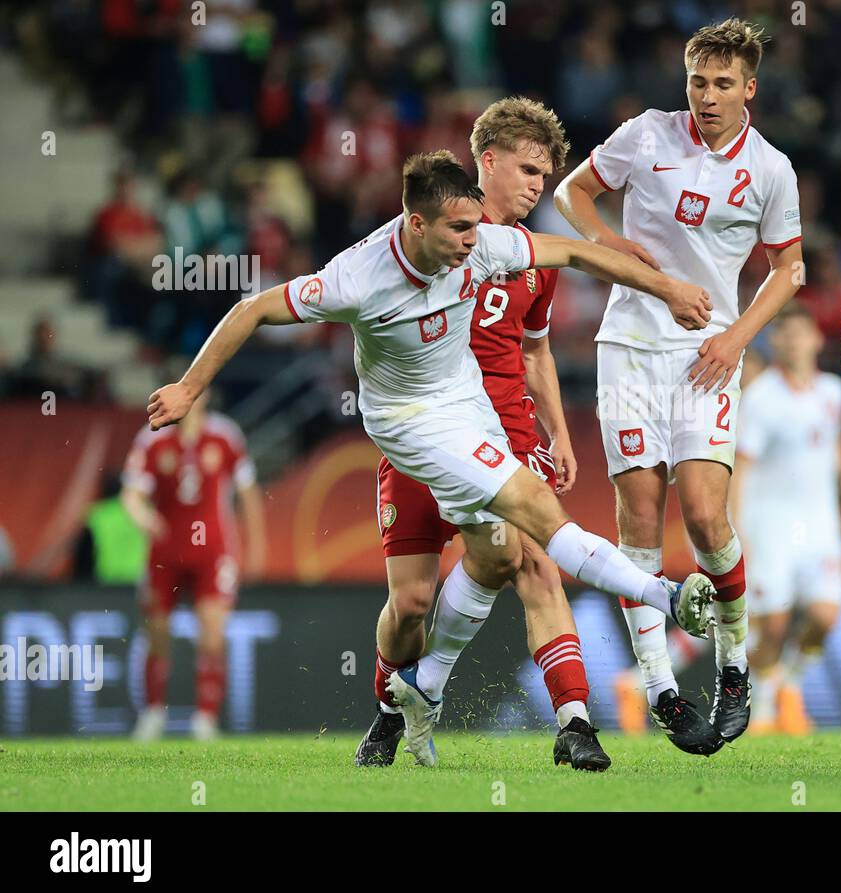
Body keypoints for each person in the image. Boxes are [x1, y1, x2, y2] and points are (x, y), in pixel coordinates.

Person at [146, 150, 720, 767]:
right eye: (458, 230)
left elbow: (577, 254)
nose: (473, 243)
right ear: (416, 224)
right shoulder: (356, 277)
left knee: (501, 555)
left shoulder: (484, 246)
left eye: (476, 227)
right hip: (406, 425)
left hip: (466, 404)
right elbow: (253, 308)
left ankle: (420, 694)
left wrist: (667, 288)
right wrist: (189, 387)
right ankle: (663, 595)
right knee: (519, 515)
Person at [554, 17, 804, 754]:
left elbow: (789, 271)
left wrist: (735, 337)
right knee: (638, 520)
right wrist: (610, 245)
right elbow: (573, 193)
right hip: (628, 346)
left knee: (703, 516)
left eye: (724, 84)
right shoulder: (647, 135)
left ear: (749, 88)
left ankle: (733, 666)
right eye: (698, 81)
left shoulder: (771, 169)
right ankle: (662, 688)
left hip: (707, 357)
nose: (708, 96)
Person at [355, 98, 609, 771]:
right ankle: (393, 705)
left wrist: (559, 432)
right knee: (409, 601)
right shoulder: (430, 234)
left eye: (546, 177)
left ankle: (574, 721)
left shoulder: (535, 257)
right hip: (421, 428)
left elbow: (535, 350)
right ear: (486, 161)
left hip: (504, 432)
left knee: (526, 560)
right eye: (527, 170)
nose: (537, 187)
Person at [731, 305, 841, 735]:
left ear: (817, 340)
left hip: (820, 524)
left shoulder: (833, 392)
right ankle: (763, 705)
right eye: (784, 334)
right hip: (769, 524)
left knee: (826, 615)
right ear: (776, 342)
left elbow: (826, 438)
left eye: (801, 333)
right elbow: (742, 466)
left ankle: (787, 685)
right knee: (773, 625)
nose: (794, 341)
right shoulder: (761, 398)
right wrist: (736, 529)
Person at [122, 389, 266, 740]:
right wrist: (143, 516)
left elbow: (248, 493)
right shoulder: (151, 437)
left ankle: (205, 718)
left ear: (201, 396)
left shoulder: (225, 436)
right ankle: (154, 714)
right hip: (165, 550)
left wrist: (258, 545)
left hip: (214, 551)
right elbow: (132, 495)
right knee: (156, 631)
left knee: (212, 633)